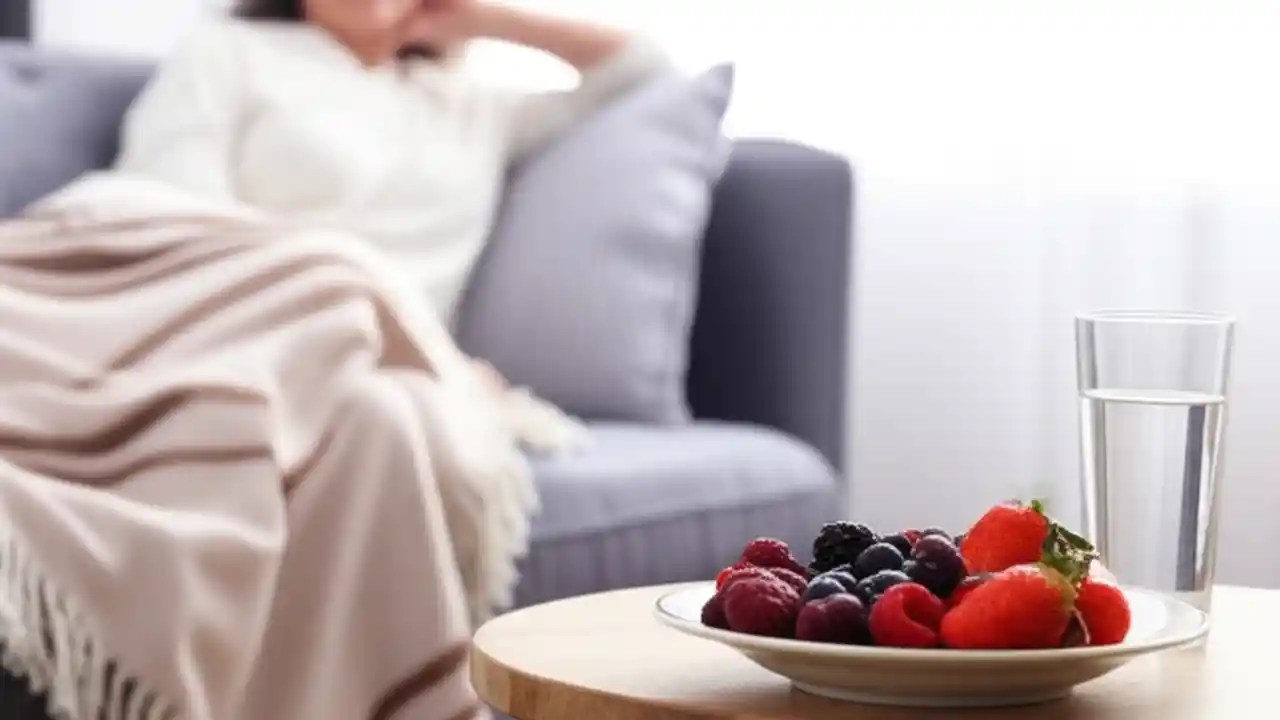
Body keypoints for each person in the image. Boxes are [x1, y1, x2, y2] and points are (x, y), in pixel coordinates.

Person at [115, 0, 669, 323]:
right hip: (238, 319)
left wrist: (483, 19)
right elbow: (170, 214)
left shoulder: (475, 107)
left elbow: (642, 68)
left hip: (387, 355)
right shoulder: (229, 51)